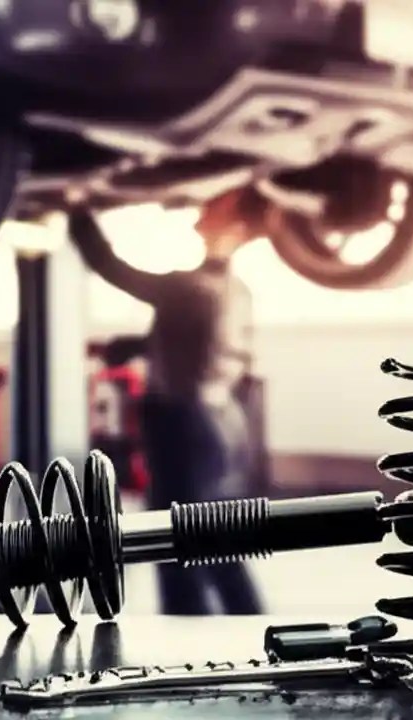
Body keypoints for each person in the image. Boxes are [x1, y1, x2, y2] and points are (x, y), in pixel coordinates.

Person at [67, 188, 267, 615]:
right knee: (218, 539)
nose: (206, 204)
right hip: (222, 422)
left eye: (221, 201)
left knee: (175, 541)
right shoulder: (235, 290)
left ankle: (185, 638)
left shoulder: (189, 287)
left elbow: (110, 267)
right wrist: (134, 347)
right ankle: (252, 627)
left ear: (238, 223)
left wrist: (76, 207)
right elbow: (200, 342)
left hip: (182, 423)